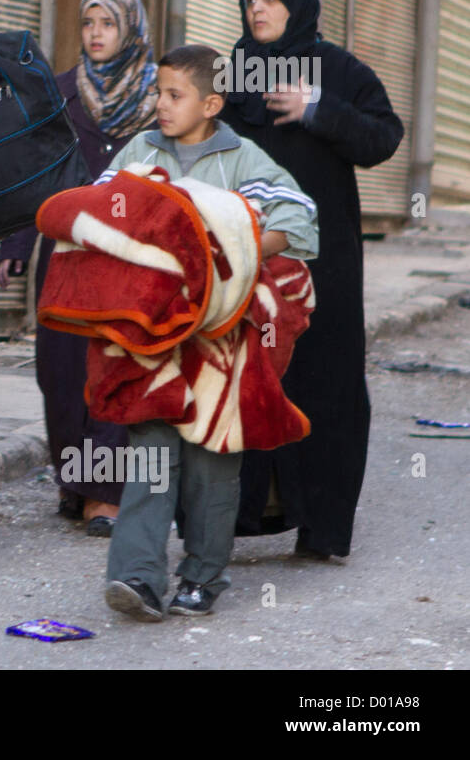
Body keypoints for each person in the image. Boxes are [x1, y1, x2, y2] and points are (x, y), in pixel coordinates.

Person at [97, 44, 318, 620]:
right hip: (152, 340)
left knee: (212, 461)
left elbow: (298, 220)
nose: (161, 105)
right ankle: (137, 578)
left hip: (222, 345)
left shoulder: (244, 160)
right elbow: (99, 211)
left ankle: (202, 577)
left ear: (211, 103)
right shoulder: (141, 151)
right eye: (158, 94)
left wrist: (226, 250)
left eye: (175, 95)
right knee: (149, 454)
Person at [220, 0, 403, 560]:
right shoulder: (232, 70)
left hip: (323, 261)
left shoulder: (337, 69)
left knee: (323, 381)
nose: (259, 10)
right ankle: (237, 517)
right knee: (245, 376)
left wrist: (320, 110)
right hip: (247, 258)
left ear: (296, 3)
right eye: (250, 0)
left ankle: (322, 528)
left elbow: (384, 136)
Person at [0, 0, 158, 536]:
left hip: (131, 259)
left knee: (113, 369)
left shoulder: (159, 98)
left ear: (130, 30)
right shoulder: (57, 92)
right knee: (60, 374)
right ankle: (75, 479)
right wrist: (17, 245)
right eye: (88, 23)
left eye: (107, 24)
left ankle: (105, 497)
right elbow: (32, 171)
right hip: (65, 257)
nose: (95, 34)